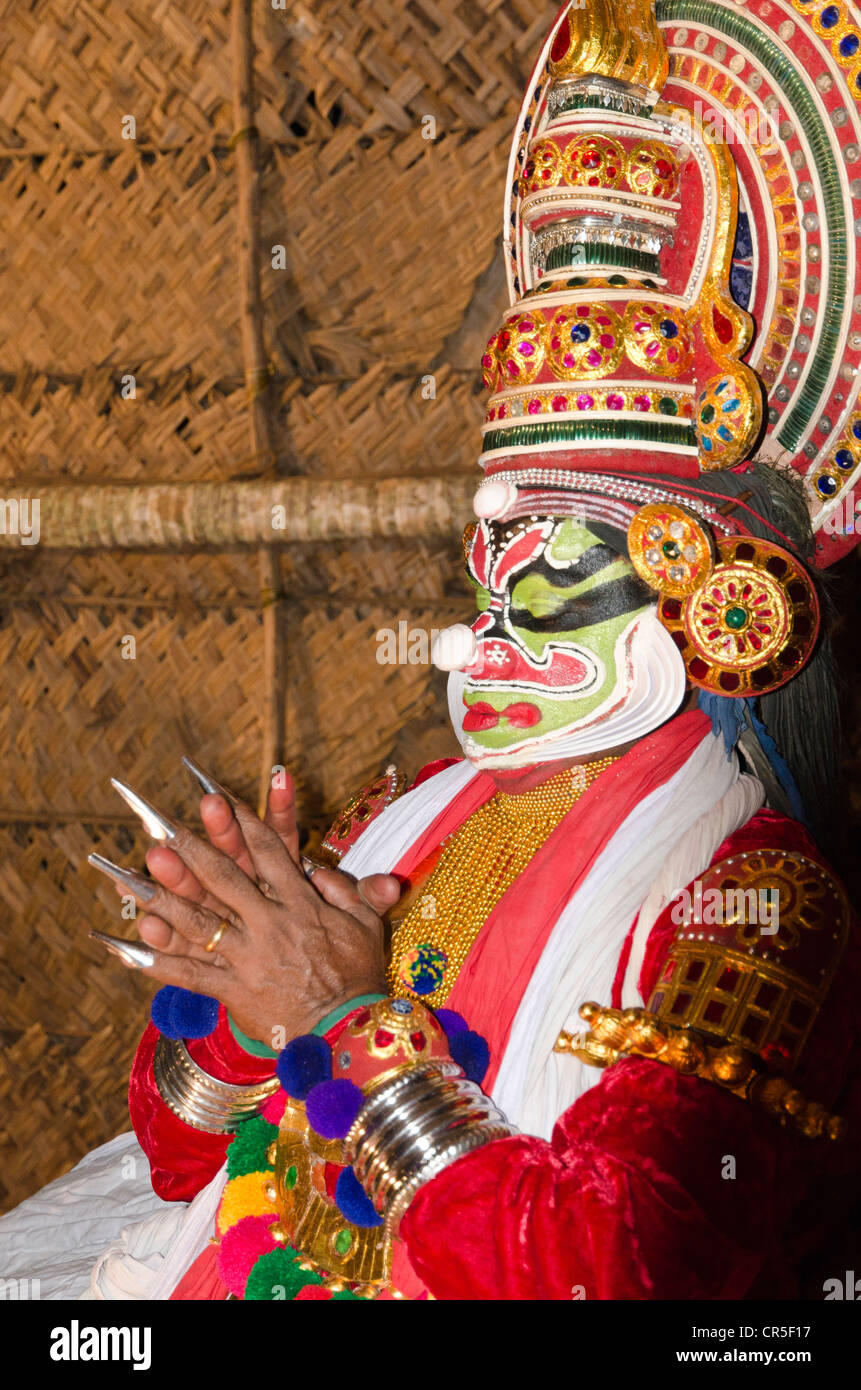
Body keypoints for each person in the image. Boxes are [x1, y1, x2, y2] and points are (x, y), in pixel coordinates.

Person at [3, 0, 859, 1301]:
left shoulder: (754, 909)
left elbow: (624, 1267)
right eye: (486, 562)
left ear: (707, 587)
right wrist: (233, 1001)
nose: (487, 620)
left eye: (557, 559)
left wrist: (346, 1030)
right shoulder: (408, 812)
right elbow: (182, 1155)